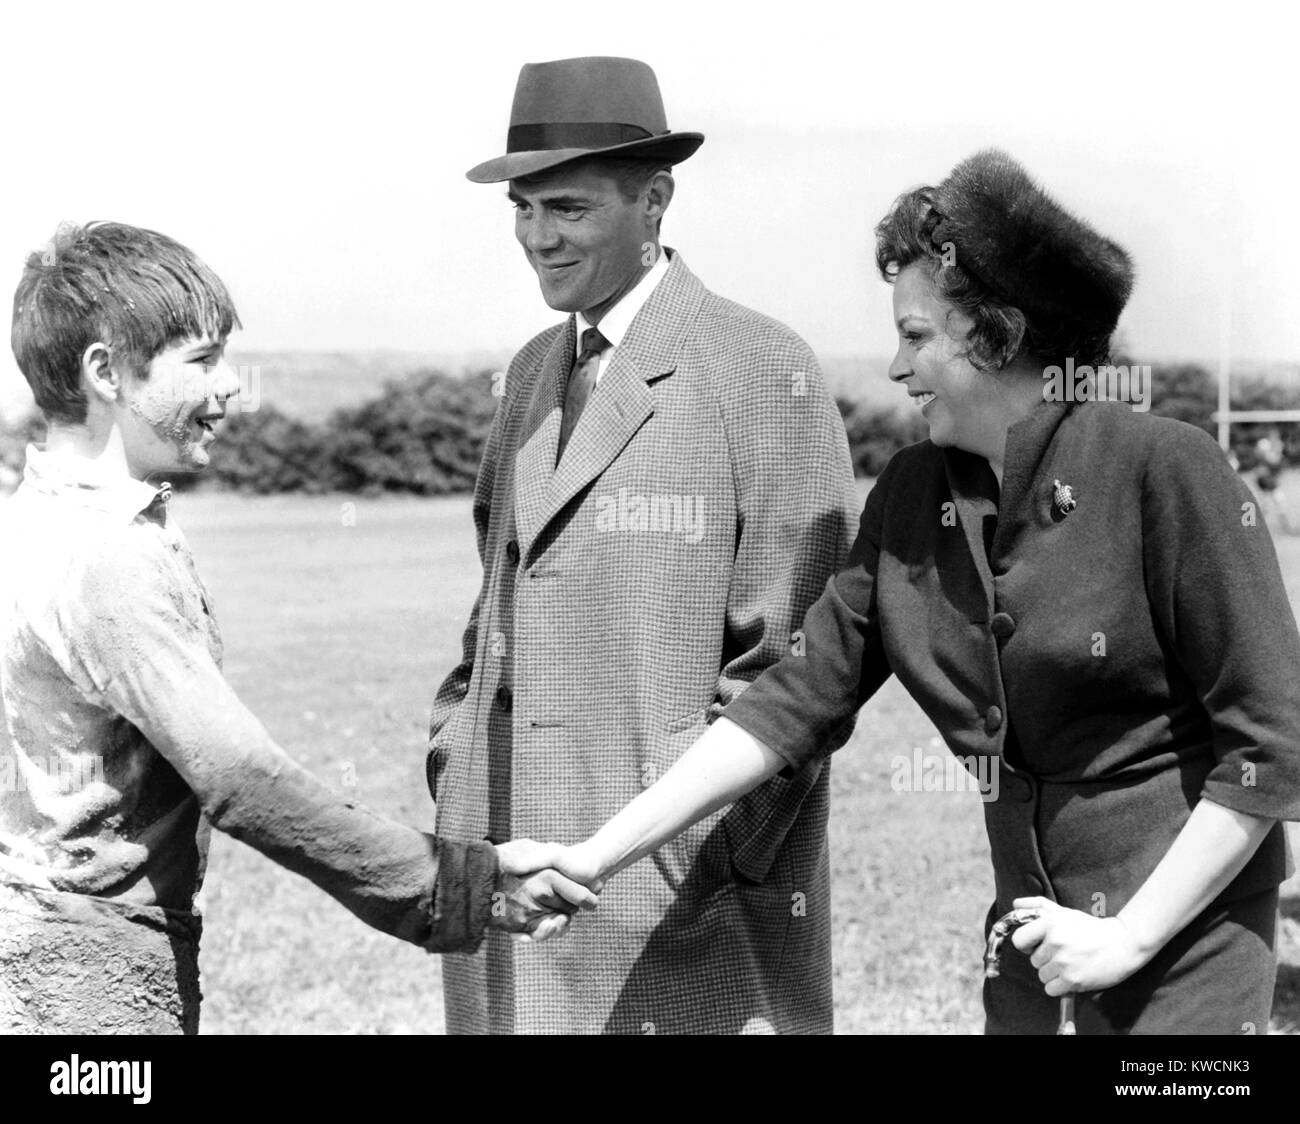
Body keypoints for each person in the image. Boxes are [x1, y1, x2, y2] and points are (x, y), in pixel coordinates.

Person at [551, 149, 1300, 1034]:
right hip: (1029, 955)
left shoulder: (1166, 469)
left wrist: (1129, 937)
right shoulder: (912, 494)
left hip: (1187, 955)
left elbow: (1271, 742)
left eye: (916, 336)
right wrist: (593, 857)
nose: (896, 368)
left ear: (999, 336)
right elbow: (792, 702)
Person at [0, 221, 594, 1034]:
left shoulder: (31, 522)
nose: (231, 387)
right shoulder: (105, 559)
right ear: (105, 372)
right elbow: (242, 780)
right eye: (201, 361)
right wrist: (463, 883)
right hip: (87, 988)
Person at [430, 56, 857, 1034]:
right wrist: (457, 769)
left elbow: (797, 681)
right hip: (505, 887)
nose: (538, 237)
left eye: (567, 208)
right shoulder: (534, 370)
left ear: (656, 197)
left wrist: (669, 852)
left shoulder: (761, 368)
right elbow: (491, 614)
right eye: (524, 210)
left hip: (674, 910)